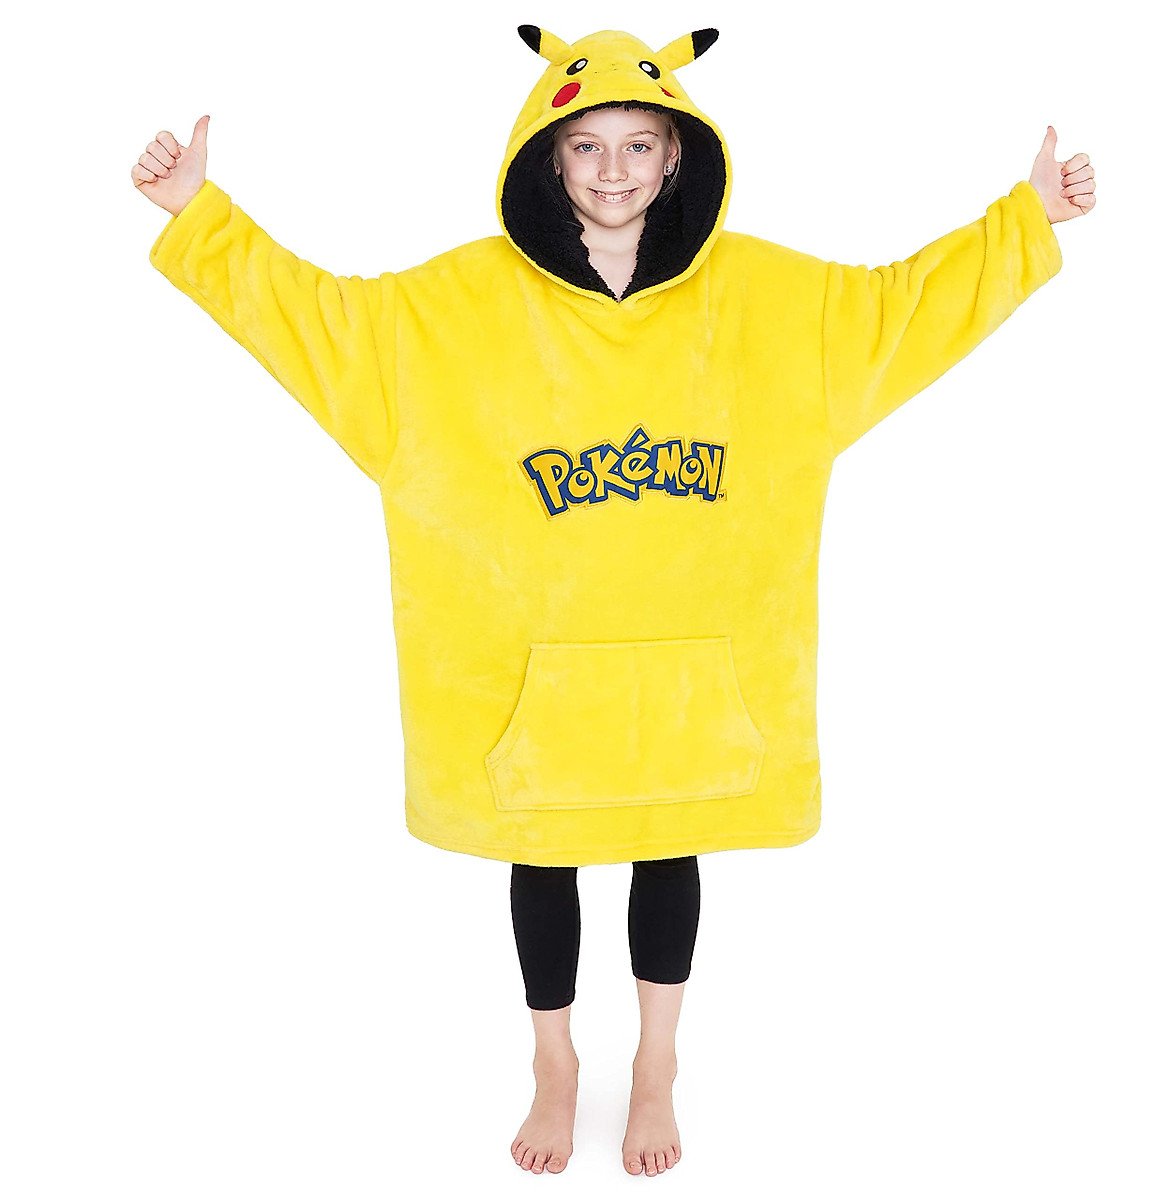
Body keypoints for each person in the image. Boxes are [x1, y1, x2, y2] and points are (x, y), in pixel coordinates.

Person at [132, 24, 1095, 1180]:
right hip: (532, 691)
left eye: (639, 144)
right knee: (542, 859)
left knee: (666, 853)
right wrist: (199, 216)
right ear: (548, 154)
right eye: (587, 145)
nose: (613, 169)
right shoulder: (453, 311)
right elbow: (320, 322)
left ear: (678, 153)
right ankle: (554, 1062)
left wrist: (1027, 221)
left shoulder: (769, 301)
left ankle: (656, 1063)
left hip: (694, 688)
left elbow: (902, 310)